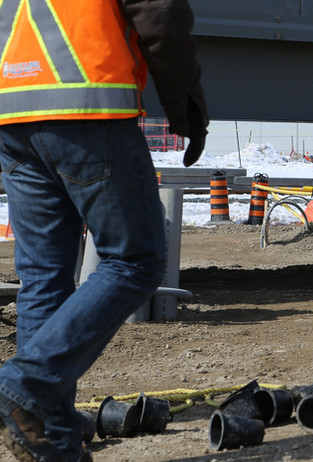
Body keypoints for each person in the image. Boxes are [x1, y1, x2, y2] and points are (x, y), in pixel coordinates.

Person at [0, 0, 207, 460]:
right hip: (88, 102)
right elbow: (160, 13)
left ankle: (50, 436)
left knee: (42, 277)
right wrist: (185, 102)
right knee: (136, 258)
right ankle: (23, 384)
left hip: (12, 111)